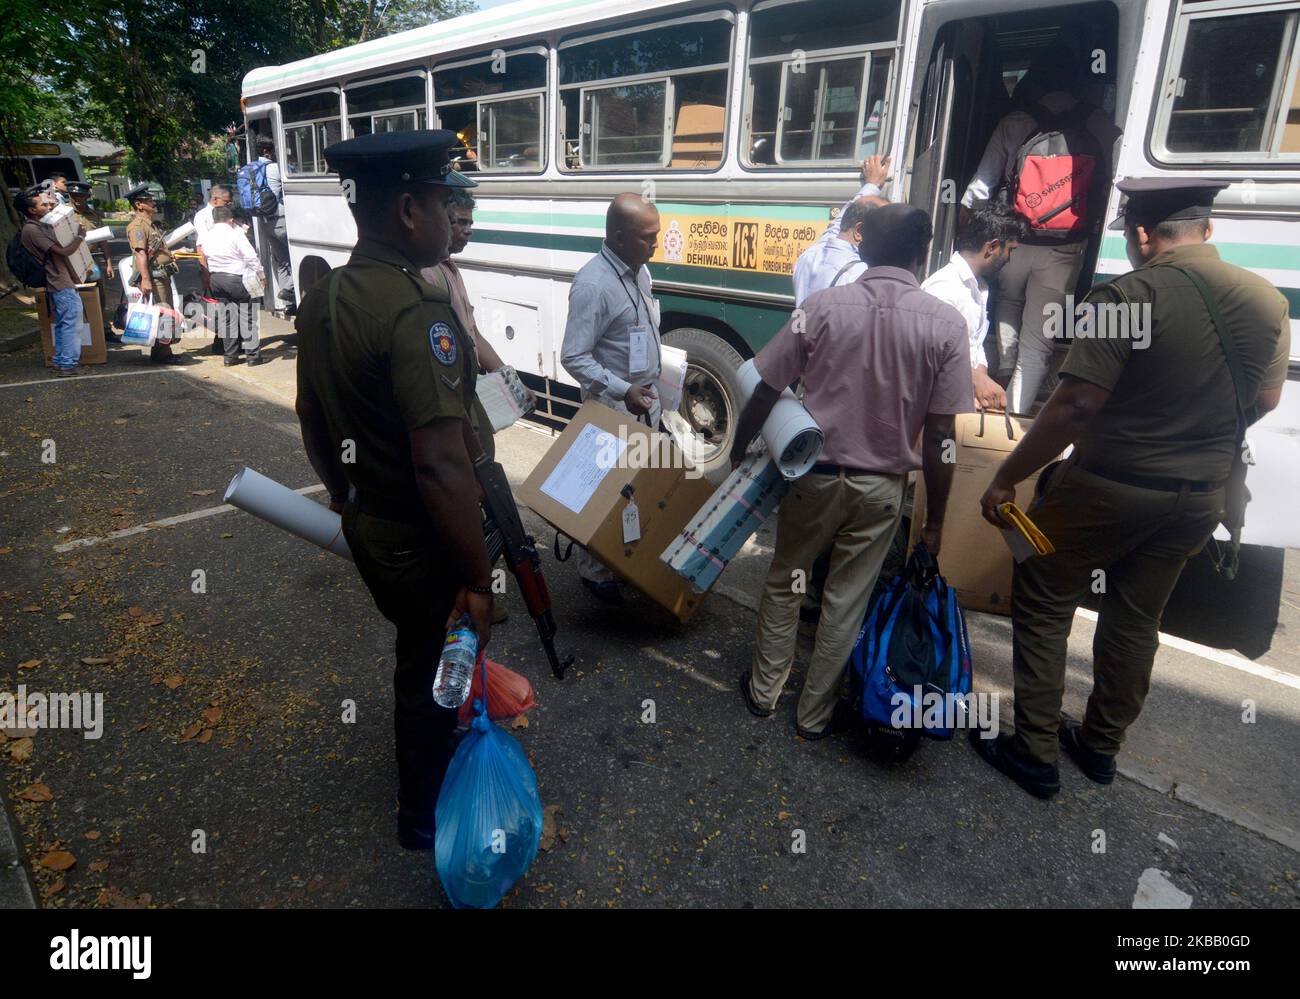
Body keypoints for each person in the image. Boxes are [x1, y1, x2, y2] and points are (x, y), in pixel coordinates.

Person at [974, 178, 1290, 799]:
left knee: (1041, 589)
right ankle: (1098, 746)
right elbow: (1265, 399)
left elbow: (1073, 408)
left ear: (1142, 235)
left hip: (1109, 487)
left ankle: (1034, 749)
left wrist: (1006, 477)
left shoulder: (1130, 296)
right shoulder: (1265, 301)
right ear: (1208, 229)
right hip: (1201, 495)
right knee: (1136, 617)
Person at [294, 129, 490, 850]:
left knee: (418, 651)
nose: (451, 217)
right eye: (444, 202)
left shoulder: (326, 296)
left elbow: (309, 415)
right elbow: (440, 461)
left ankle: (429, 786)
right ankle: (424, 815)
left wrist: (342, 494)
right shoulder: (418, 308)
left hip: (373, 526)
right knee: (431, 664)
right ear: (410, 209)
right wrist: (478, 577)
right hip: (422, 537)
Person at [732, 204, 974, 738]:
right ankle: (814, 717)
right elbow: (940, 438)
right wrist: (934, 522)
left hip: (812, 479)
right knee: (846, 600)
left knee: (787, 581)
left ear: (862, 249)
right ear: (922, 253)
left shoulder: (819, 307)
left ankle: (764, 693)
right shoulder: (947, 325)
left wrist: (738, 446)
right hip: (882, 491)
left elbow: (767, 386)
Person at [960, 45, 1120, 412]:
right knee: (1038, 344)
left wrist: (969, 235)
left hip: (1016, 239)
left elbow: (979, 189)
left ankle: (1002, 366)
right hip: (1066, 245)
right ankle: (1014, 419)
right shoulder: (1100, 123)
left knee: (1011, 299)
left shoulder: (1014, 121)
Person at [560, 193, 664, 605]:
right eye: (647, 237)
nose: (655, 244)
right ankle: (595, 574)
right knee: (605, 493)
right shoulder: (593, 285)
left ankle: (621, 561)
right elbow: (572, 356)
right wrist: (624, 390)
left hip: (644, 400)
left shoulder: (639, 271)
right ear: (619, 237)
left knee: (631, 492)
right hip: (613, 406)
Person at [419, 189, 507, 458]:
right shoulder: (428, 273)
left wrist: (509, 380)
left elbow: (473, 335)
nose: (468, 231)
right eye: (460, 222)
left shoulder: (451, 269)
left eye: (471, 223)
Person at [922, 205, 1029, 410]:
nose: (1009, 259)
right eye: (1010, 250)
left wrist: (979, 380)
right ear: (992, 247)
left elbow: (974, 345)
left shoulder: (979, 287)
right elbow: (929, 353)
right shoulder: (946, 287)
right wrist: (976, 381)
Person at [792, 155, 890, 305]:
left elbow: (838, 224)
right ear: (859, 231)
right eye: (884, 230)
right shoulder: (859, 273)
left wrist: (871, 186)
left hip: (805, 328)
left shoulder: (809, 256)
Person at [17, 187, 87, 377]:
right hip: (57, 281)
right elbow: (63, 251)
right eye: (44, 204)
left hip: (58, 280)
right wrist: (80, 236)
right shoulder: (32, 230)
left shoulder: (38, 226)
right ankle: (67, 364)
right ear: (32, 210)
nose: (49, 207)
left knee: (66, 323)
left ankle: (61, 360)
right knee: (71, 323)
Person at [197, 205, 265, 367]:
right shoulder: (236, 234)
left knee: (227, 318)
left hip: (217, 279)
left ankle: (230, 356)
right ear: (231, 219)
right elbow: (251, 257)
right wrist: (261, 275)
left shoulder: (207, 236)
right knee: (247, 317)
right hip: (237, 278)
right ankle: (253, 356)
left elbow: (203, 255)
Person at [123, 183, 182, 364]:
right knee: (164, 313)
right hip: (154, 277)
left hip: (161, 275)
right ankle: (163, 353)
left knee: (164, 313)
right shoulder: (138, 226)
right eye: (148, 200)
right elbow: (140, 254)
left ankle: (161, 351)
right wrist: (146, 280)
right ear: (138, 204)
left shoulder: (151, 225)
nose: (153, 203)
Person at [66, 180, 119, 343]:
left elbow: (103, 240)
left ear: (87, 197)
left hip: (92, 260)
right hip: (72, 260)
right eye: (75, 196)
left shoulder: (94, 215)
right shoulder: (65, 214)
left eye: (81, 196)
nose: (78, 199)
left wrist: (109, 262)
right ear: (70, 196)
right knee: (77, 296)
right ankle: (84, 332)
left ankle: (104, 329)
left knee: (99, 295)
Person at [256, 136, 294, 308]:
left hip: (265, 223)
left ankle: (287, 303)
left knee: (282, 261)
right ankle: (289, 290)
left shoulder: (250, 169)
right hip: (281, 218)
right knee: (296, 256)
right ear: (267, 151)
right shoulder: (275, 168)